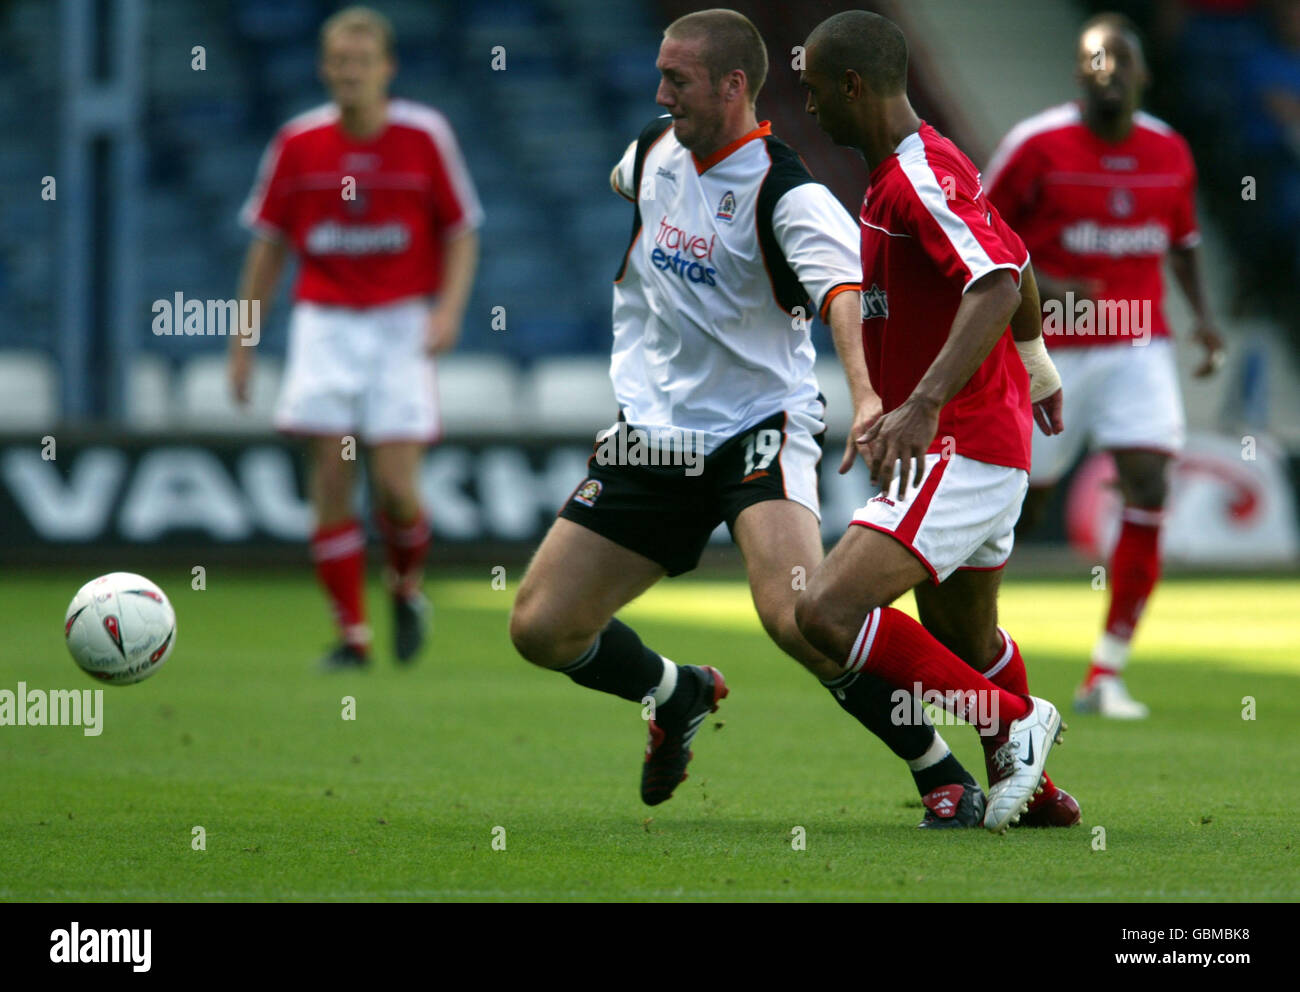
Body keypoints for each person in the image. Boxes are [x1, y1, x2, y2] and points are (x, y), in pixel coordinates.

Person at [509, 8, 992, 826]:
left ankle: (937, 765)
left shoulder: (787, 193)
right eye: (660, 75)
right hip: (654, 438)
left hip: (755, 432)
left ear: (735, 86)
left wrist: (868, 396)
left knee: (800, 618)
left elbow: (843, 293)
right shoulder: (650, 155)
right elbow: (634, 189)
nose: (661, 94)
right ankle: (678, 691)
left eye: (679, 80)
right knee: (542, 628)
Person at [794, 9, 1072, 832]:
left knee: (826, 613)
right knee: (966, 645)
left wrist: (920, 404)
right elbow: (1013, 256)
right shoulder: (908, 173)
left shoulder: (918, 171)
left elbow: (992, 280)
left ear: (853, 85)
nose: (808, 108)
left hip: (960, 446)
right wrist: (1037, 363)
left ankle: (1009, 722)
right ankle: (1040, 795)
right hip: (983, 444)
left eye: (814, 92)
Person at [985, 12, 1224, 718]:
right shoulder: (1036, 145)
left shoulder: (1170, 151)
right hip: (1047, 347)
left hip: (1137, 345)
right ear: (1076, 74)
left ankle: (1106, 673)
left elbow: (1181, 238)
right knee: (1019, 506)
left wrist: (1204, 319)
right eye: (1094, 60)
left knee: (1149, 481)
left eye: (1120, 60)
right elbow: (981, 230)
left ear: (1144, 74)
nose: (1108, 71)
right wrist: (1048, 288)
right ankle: (971, 645)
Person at [229, 6, 481, 670]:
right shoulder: (297, 143)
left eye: (361, 61)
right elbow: (267, 249)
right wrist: (242, 342)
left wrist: (448, 311)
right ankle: (353, 637)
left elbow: (461, 230)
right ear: (324, 68)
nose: (349, 72)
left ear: (386, 68)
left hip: (401, 324)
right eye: (338, 61)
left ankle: (404, 588)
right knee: (333, 478)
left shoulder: (425, 136)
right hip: (326, 326)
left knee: (397, 488)